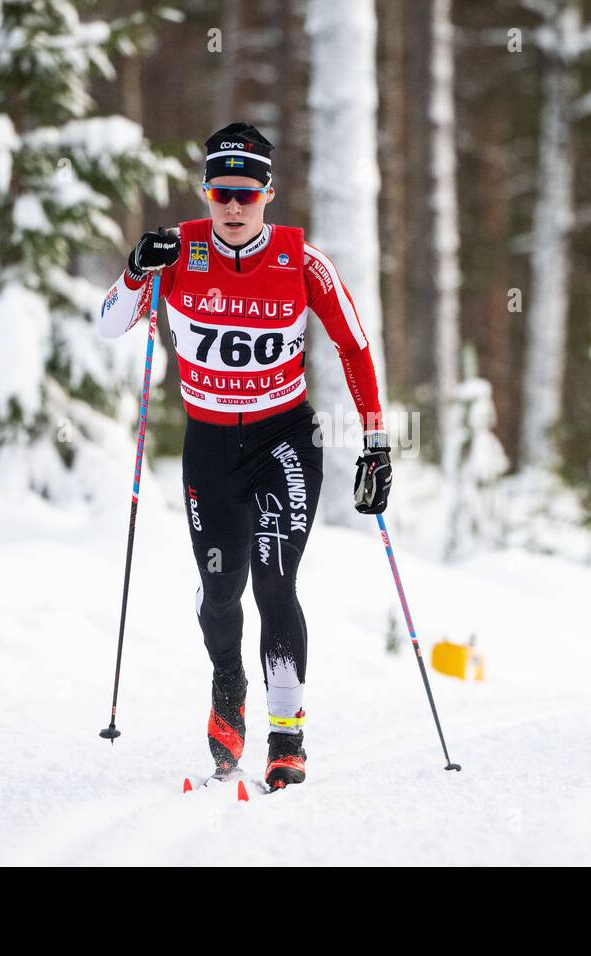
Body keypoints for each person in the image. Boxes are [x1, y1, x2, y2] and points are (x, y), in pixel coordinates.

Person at [98, 123, 392, 788]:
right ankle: (227, 685)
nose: (233, 206)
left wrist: (376, 444)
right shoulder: (175, 252)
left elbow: (354, 346)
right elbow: (110, 322)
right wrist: (135, 270)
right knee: (220, 593)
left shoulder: (302, 261)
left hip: (283, 438)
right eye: (221, 192)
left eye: (247, 192)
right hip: (207, 447)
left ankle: (287, 738)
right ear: (206, 192)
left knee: (275, 577)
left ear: (268, 192)